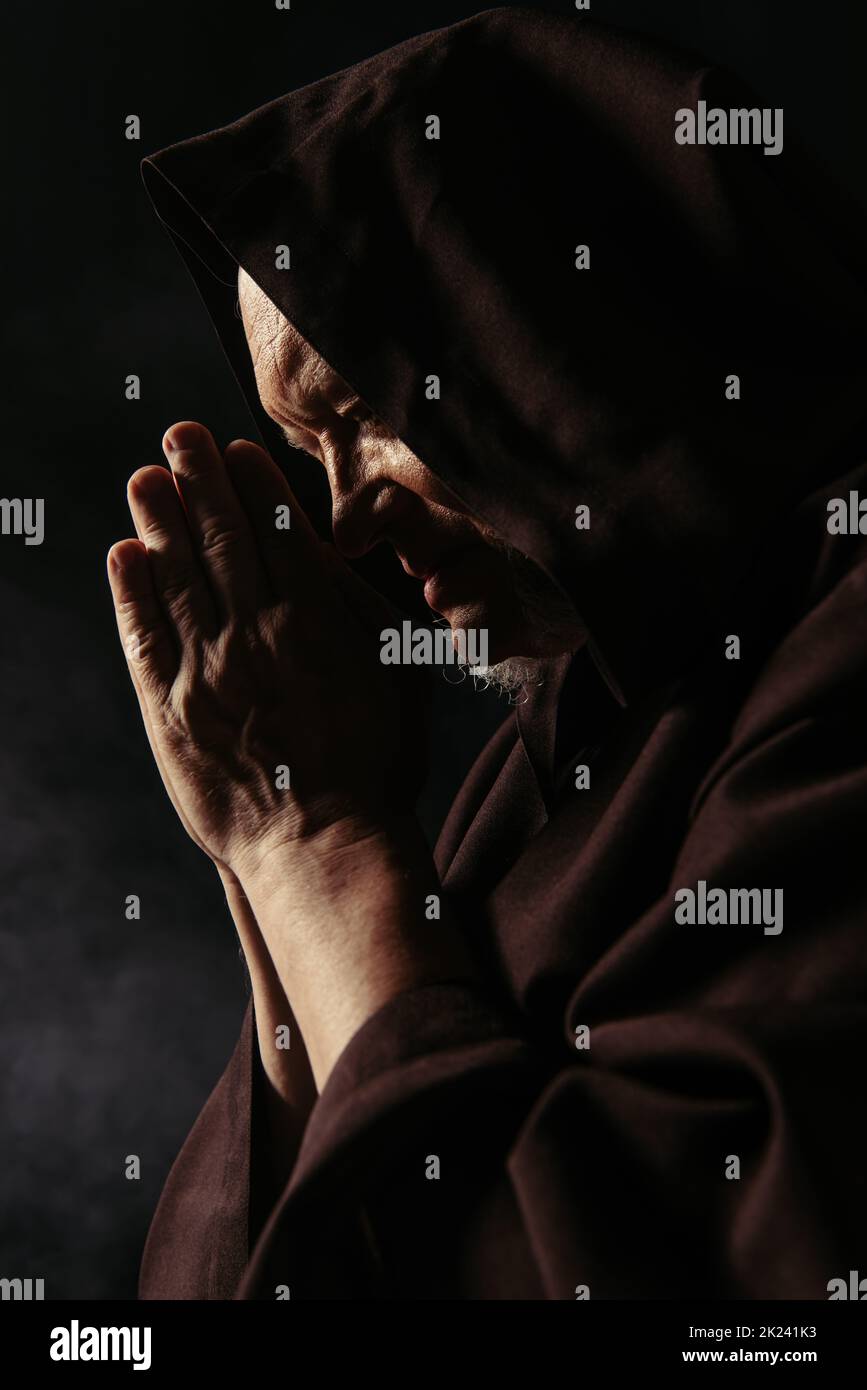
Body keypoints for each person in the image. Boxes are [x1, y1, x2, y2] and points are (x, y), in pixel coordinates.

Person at [109, 8, 867, 1299]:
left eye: (364, 413)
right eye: (306, 453)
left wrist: (325, 844)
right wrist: (260, 840)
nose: (340, 522)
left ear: (545, 327)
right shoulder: (549, 755)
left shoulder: (837, 638)